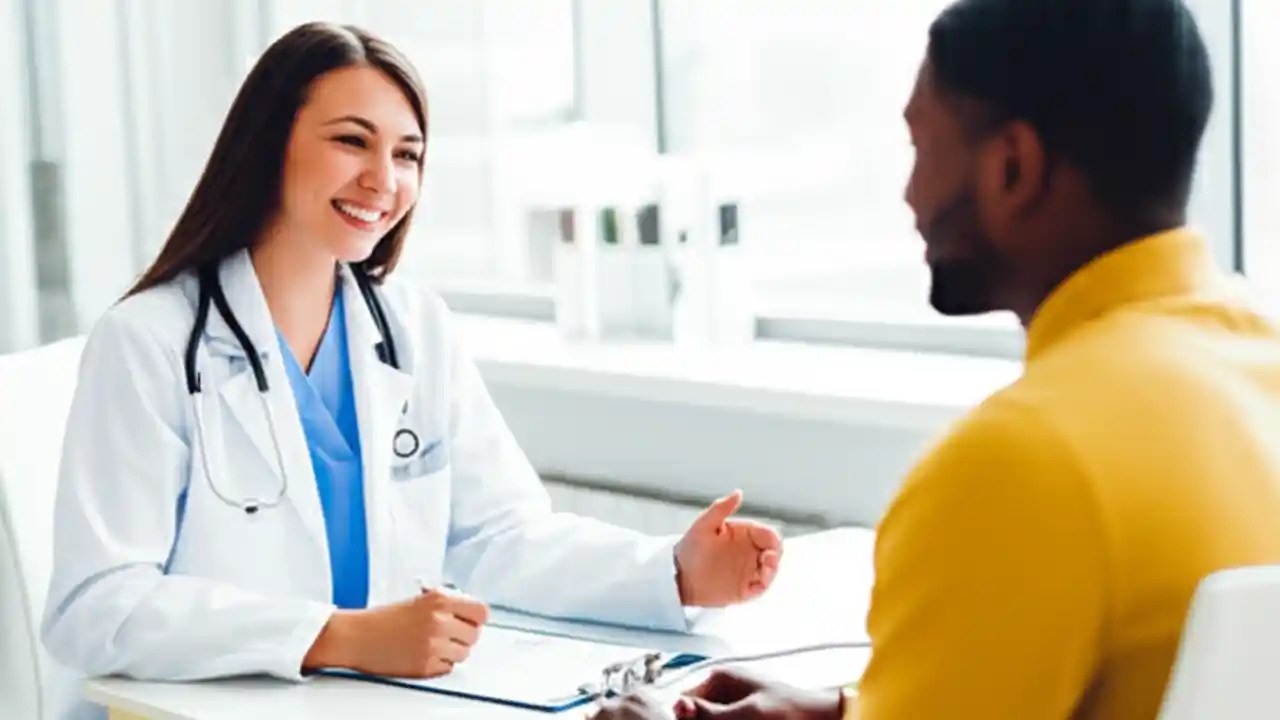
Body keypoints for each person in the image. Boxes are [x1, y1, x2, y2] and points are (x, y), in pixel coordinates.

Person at [40, 22, 782, 720]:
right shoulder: (150, 343)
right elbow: (95, 606)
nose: (382, 180)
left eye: (406, 155)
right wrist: (338, 636)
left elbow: (501, 537)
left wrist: (674, 573)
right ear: (269, 146)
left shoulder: (411, 327)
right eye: (351, 142)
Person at [590, 0, 1280, 718]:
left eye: (922, 149)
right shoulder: (1261, 371)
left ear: (1014, 167)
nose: (910, 194)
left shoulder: (1019, 467)